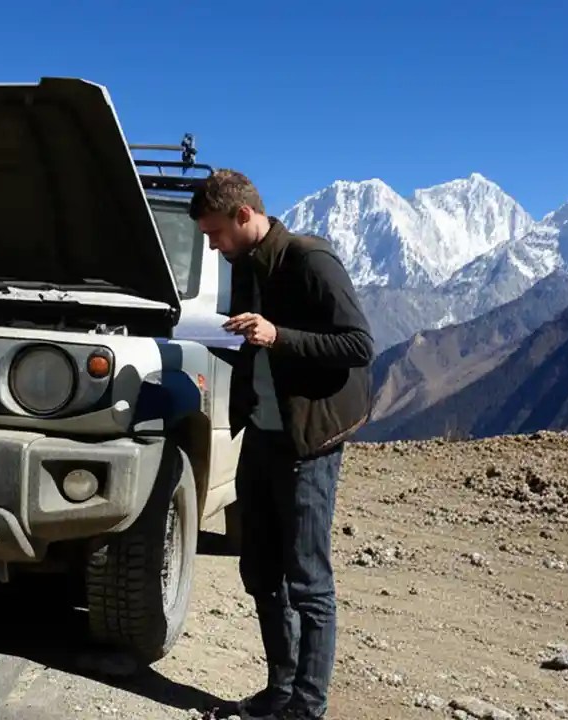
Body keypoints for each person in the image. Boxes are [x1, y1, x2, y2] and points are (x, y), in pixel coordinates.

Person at [189, 169, 374, 720]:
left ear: (244, 216)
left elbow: (358, 343)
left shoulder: (310, 260)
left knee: (308, 580)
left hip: (308, 443)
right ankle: (279, 691)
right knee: (262, 571)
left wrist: (279, 335)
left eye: (215, 233)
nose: (212, 245)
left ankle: (306, 708)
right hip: (262, 436)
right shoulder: (245, 268)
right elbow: (253, 349)